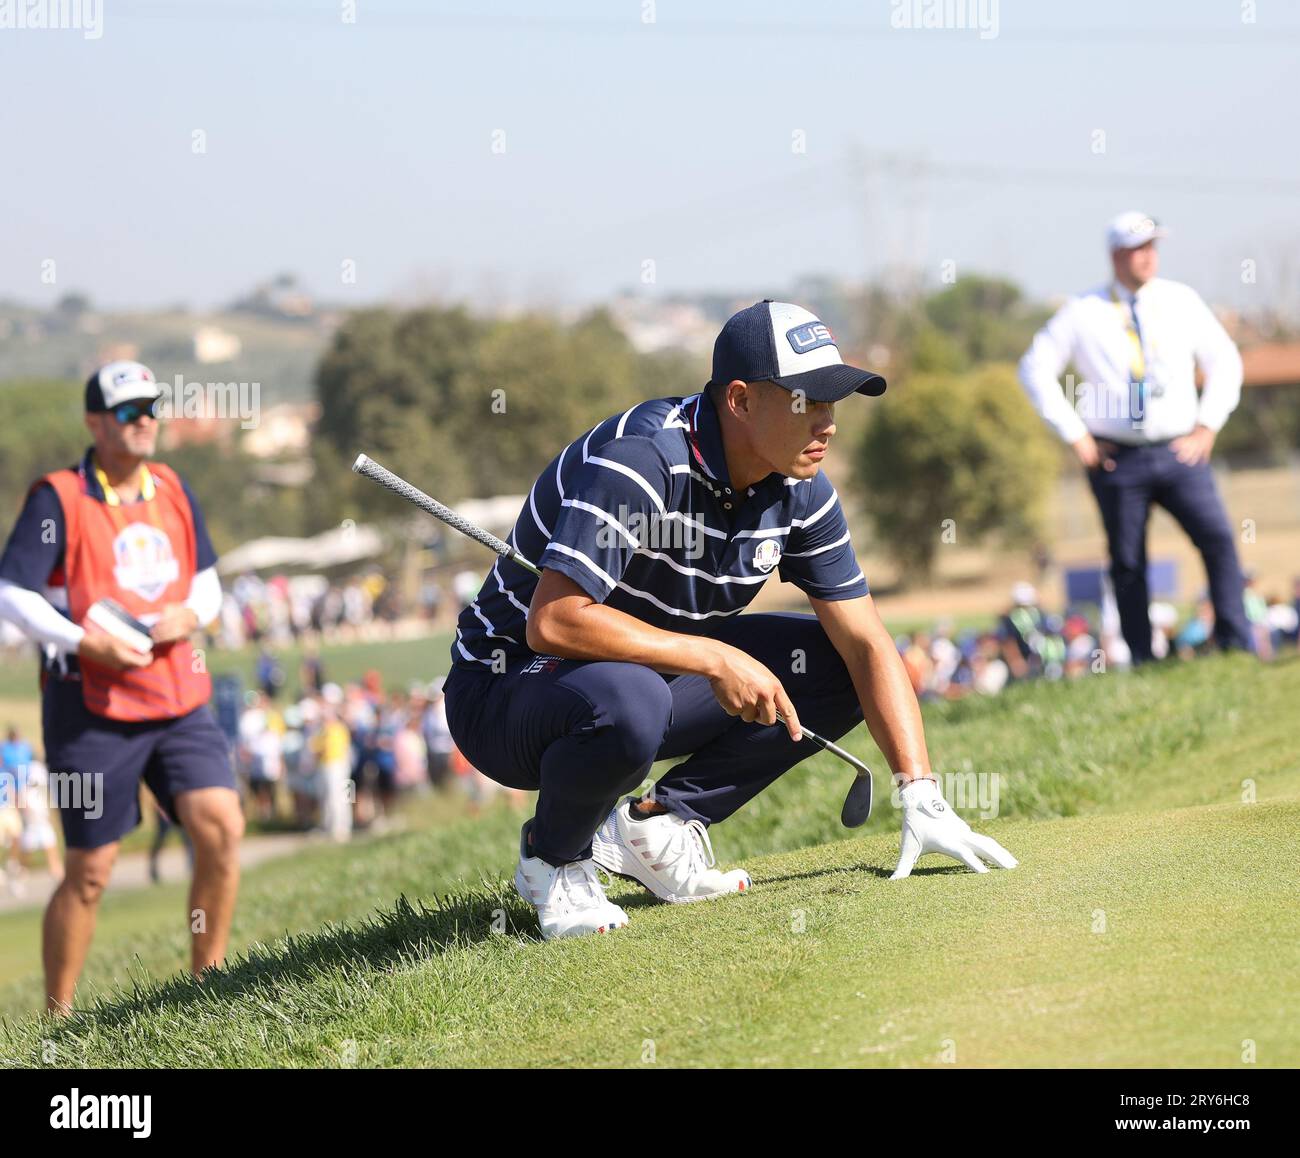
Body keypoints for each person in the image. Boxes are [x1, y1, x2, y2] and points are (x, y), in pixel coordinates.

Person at [442, 300, 1017, 941]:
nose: (827, 422)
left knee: (828, 664)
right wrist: (715, 657)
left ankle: (658, 825)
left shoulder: (801, 489)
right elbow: (555, 623)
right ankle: (553, 859)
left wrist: (920, 791)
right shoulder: (643, 461)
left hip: (639, 676)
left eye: (834, 403)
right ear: (740, 401)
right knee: (629, 700)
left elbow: (866, 644)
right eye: (808, 401)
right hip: (508, 687)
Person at [0, 360, 242, 1014]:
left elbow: (209, 578)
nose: (145, 422)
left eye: (151, 408)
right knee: (89, 872)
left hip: (175, 695)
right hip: (89, 707)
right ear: (95, 422)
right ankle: (57, 1017)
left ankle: (207, 986)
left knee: (220, 825)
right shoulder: (57, 498)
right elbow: (11, 593)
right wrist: (84, 641)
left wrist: (193, 613)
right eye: (129, 412)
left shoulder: (170, 486)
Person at [1018, 211, 1253, 664]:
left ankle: (1236, 644)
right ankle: (1143, 659)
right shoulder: (1083, 311)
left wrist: (1208, 425)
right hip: (1116, 459)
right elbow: (1034, 368)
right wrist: (1076, 435)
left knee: (1218, 539)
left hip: (1180, 450)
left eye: (1152, 247)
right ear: (1116, 255)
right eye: (1138, 248)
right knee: (1128, 561)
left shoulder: (1181, 300)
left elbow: (1226, 361)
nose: (1148, 257)